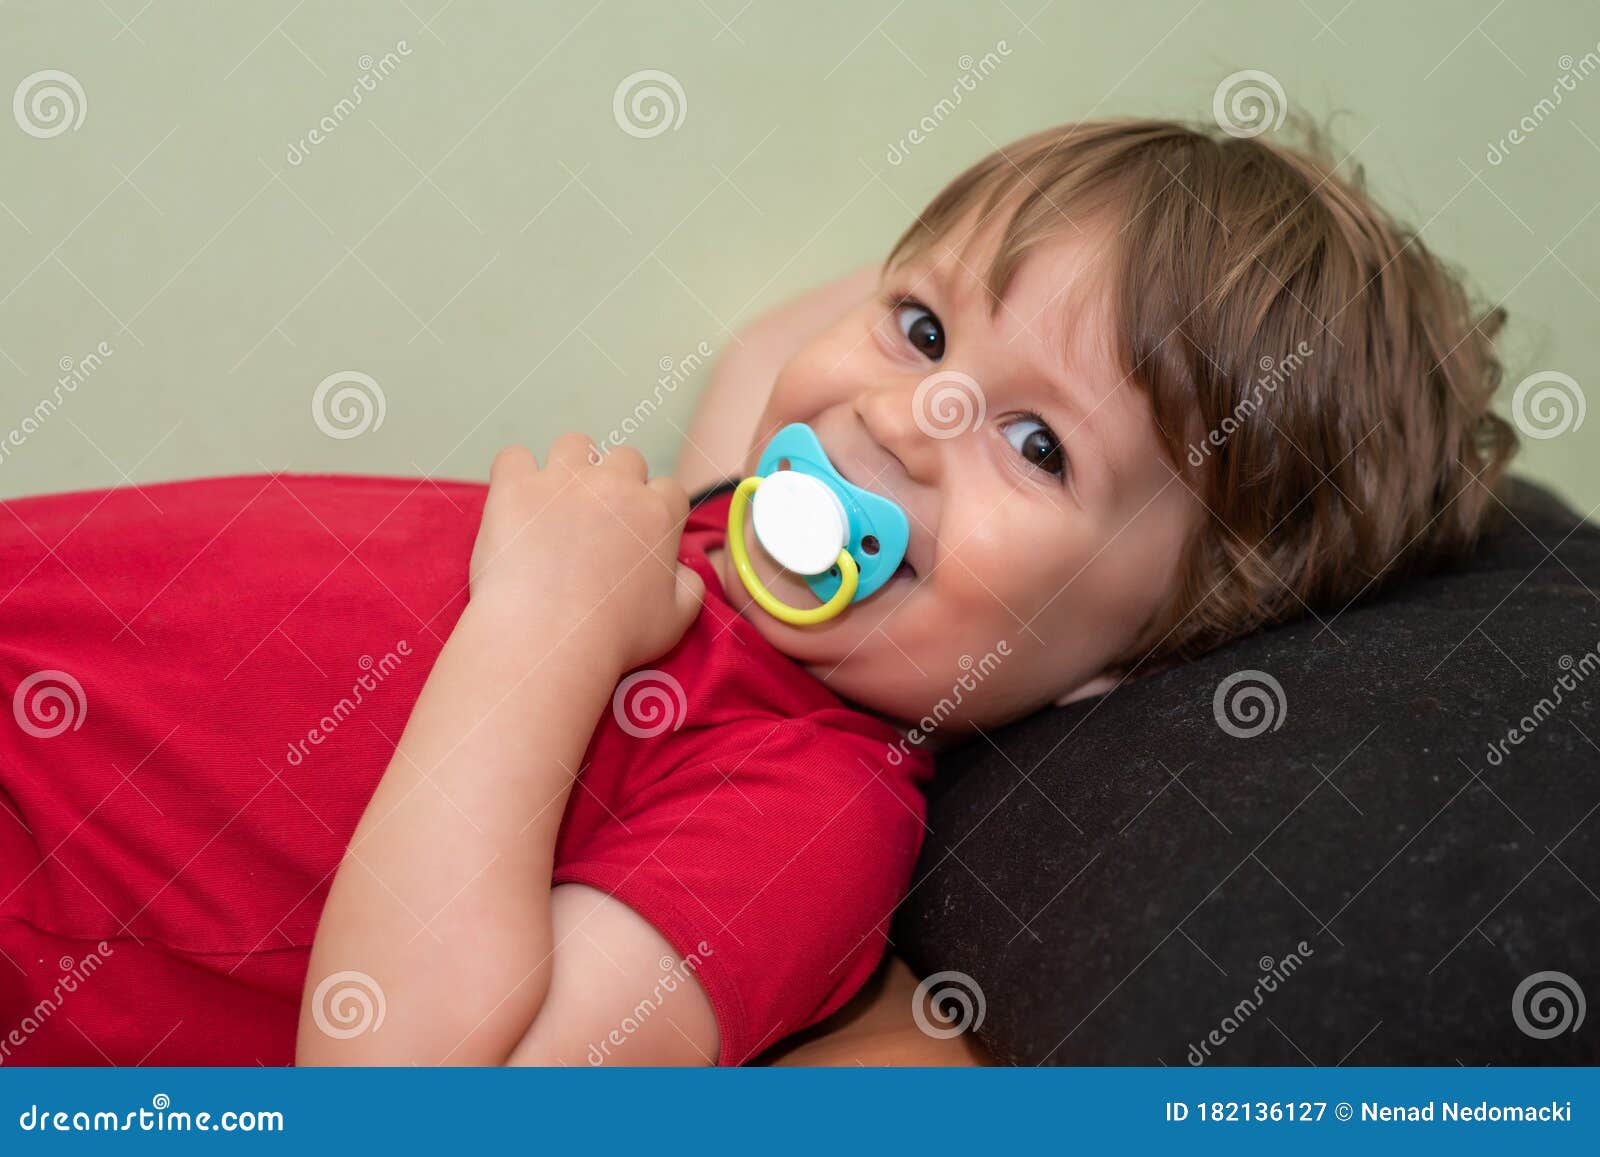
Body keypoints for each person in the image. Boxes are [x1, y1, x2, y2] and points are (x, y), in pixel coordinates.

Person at [0, 119, 1514, 1066]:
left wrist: (543, 625)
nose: (902, 424)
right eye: (921, 329)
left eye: (1039, 444)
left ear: (1142, 660)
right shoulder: (741, 524)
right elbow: (782, 353)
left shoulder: (809, 809)